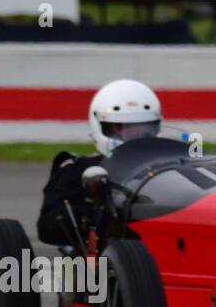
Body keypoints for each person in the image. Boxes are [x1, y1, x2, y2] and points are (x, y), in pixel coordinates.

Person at [36, 79, 163, 247]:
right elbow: (48, 227)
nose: (134, 136)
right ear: (101, 126)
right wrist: (90, 217)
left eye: (144, 129)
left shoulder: (166, 167)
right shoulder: (78, 169)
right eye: (122, 129)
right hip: (104, 257)